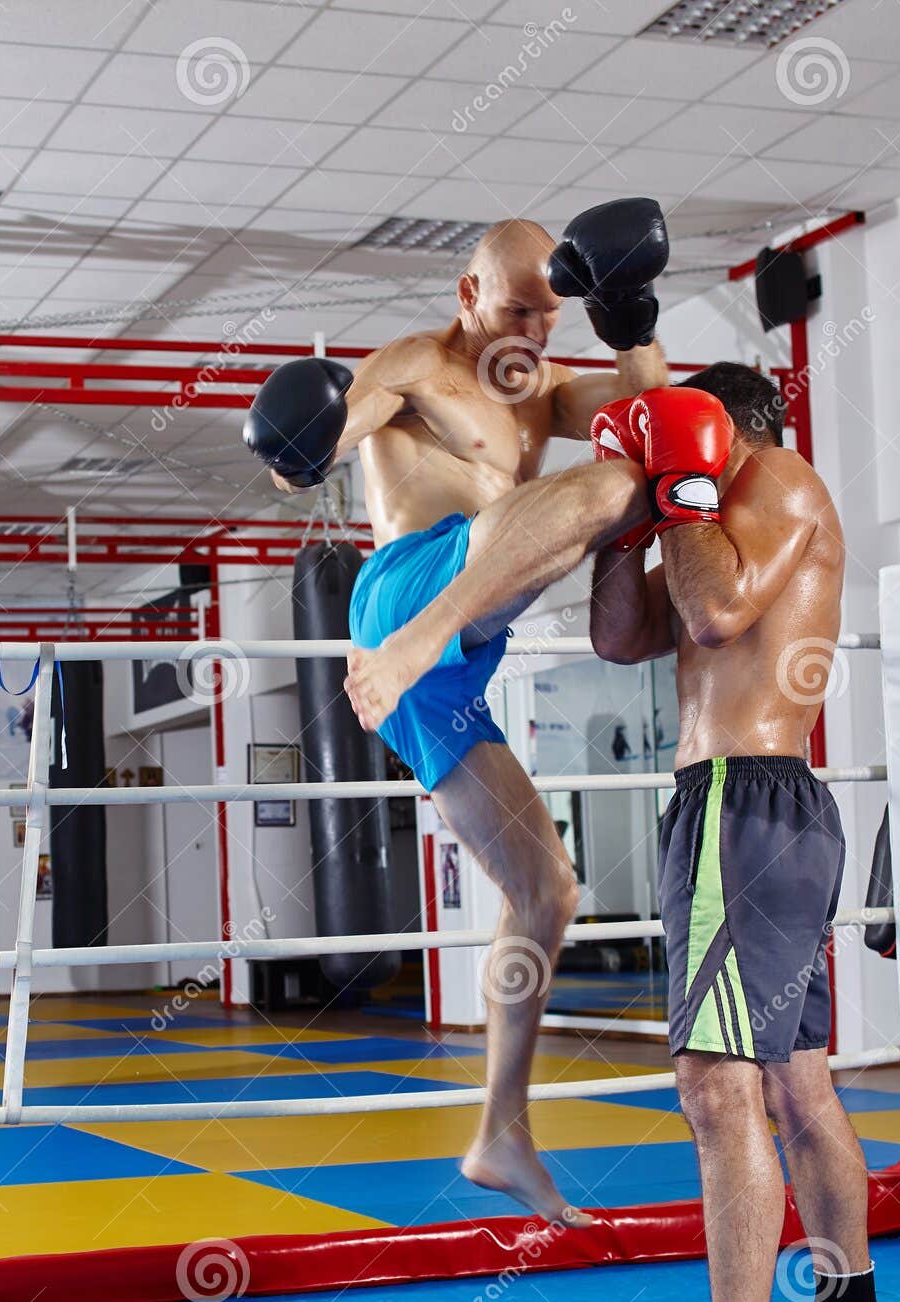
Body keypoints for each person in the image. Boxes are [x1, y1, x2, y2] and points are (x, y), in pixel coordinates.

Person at [335, 361, 887, 1302]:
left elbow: (718, 611)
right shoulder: (703, 505)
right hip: (736, 808)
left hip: (745, 803)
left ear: (731, 428)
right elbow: (624, 637)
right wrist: (638, 504)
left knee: (715, 1087)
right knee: (799, 1083)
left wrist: (685, 482)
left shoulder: (778, 477)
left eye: (688, 438)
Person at [245, 203, 670, 1227]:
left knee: (548, 891)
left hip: (452, 654)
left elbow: (653, 413)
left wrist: (634, 321)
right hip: (405, 601)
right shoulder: (417, 364)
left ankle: (501, 1127)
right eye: (518, 310)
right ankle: (422, 640)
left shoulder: (545, 389)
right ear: (469, 295)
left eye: (553, 317)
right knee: (610, 487)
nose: (534, 333)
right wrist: (296, 449)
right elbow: (336, 425)